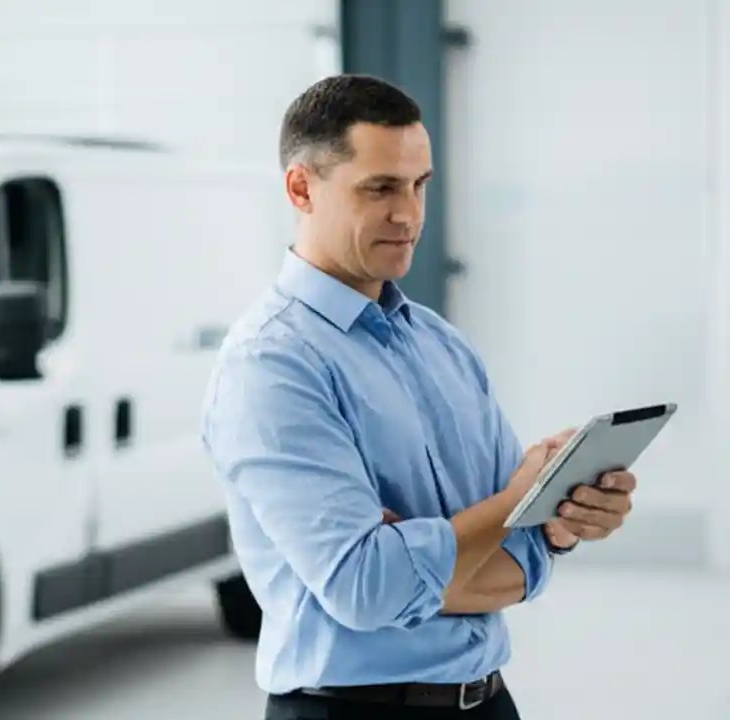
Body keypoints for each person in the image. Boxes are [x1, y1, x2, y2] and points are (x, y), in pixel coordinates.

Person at [199, 74, 638, 719]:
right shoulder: (270, 365)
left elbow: (521, 554)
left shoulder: (442, 345)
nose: (409, 214)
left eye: (418, 185)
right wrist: (514, 503)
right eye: (379, 188)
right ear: (302, 188)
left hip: (487, 701)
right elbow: (366, 586)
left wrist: (557, 525)